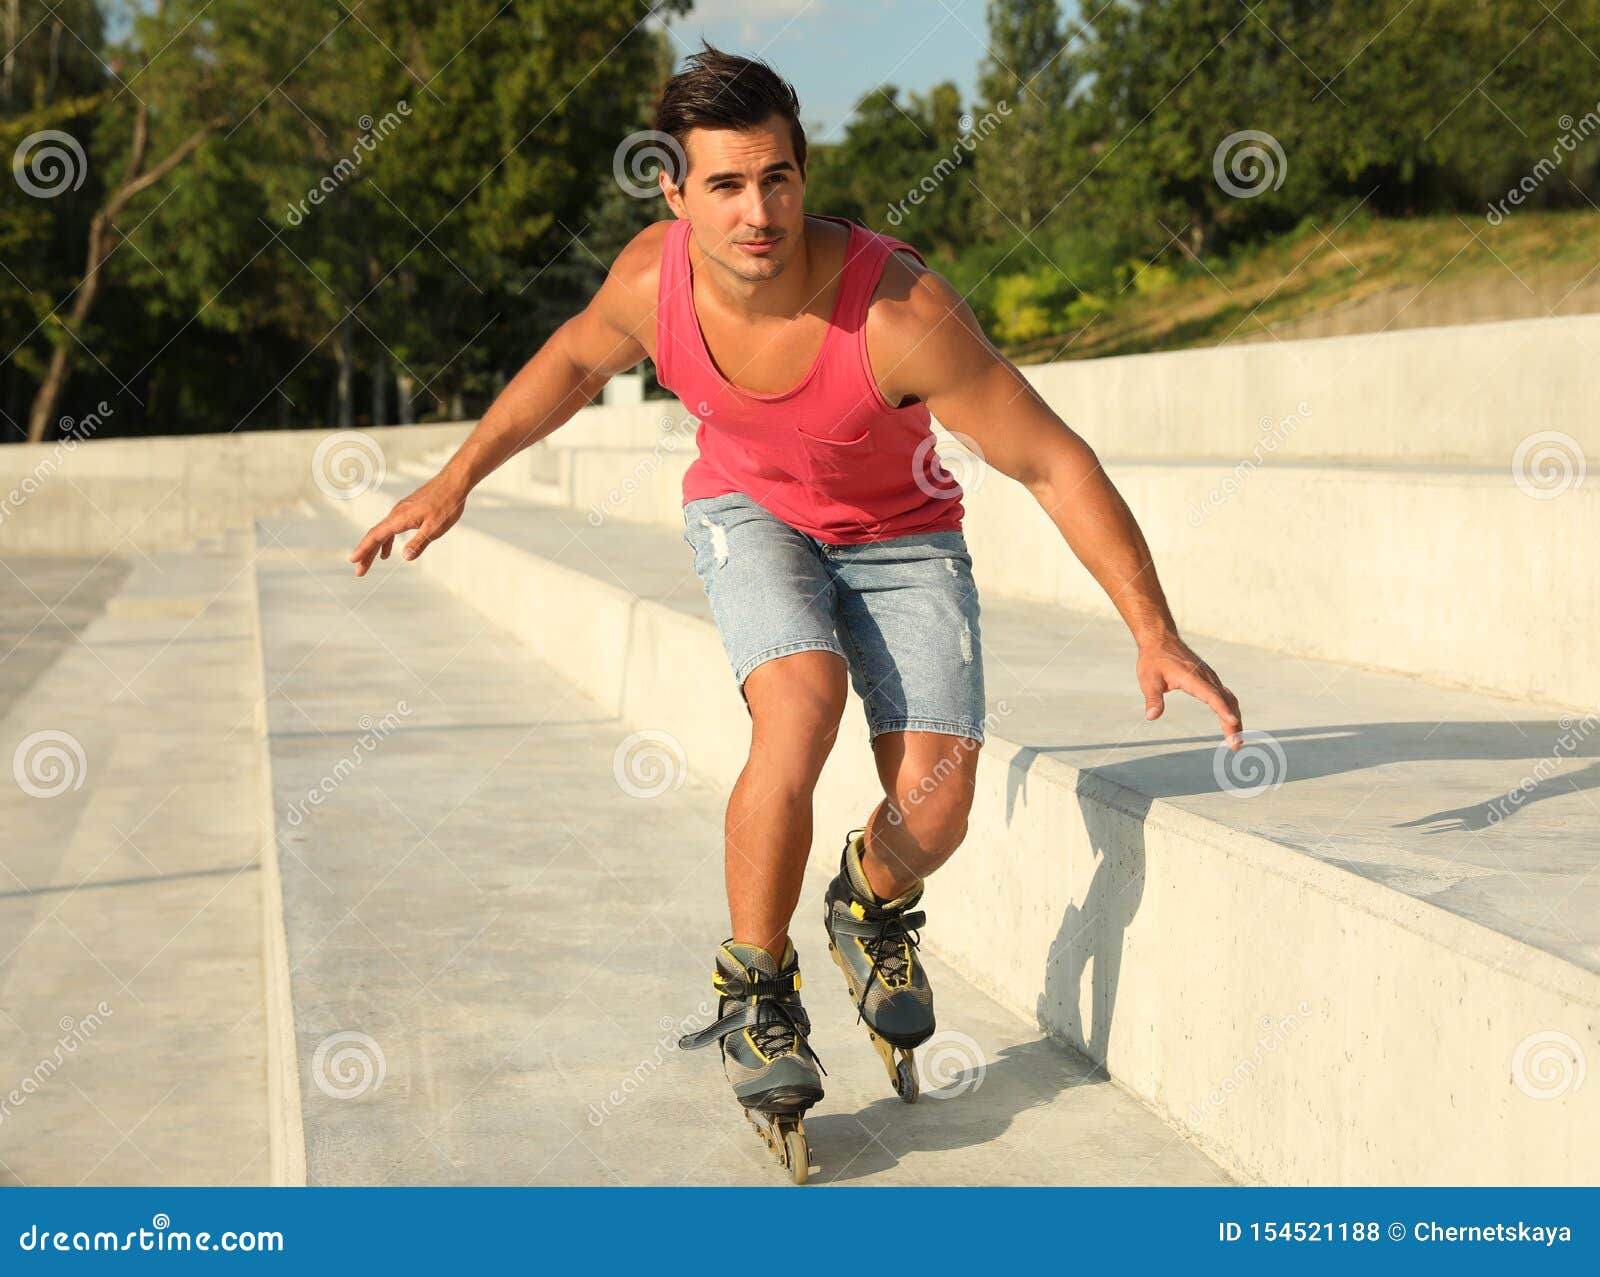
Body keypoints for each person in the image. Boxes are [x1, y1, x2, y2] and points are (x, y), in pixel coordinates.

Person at [346, 42, 1243, 1163]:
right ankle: (757, 985)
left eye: (776, 178)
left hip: (902, 536)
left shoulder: (898, 312)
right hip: (750, 512)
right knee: (800, 704)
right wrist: (456, 479)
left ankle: (867, 900)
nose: (757, 211)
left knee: (936, 810)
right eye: (724, 184)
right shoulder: (653, 281)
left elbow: (1053, 461)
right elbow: (572, 364)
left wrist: (1153, 630)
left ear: (804, 173)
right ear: (674, 192)